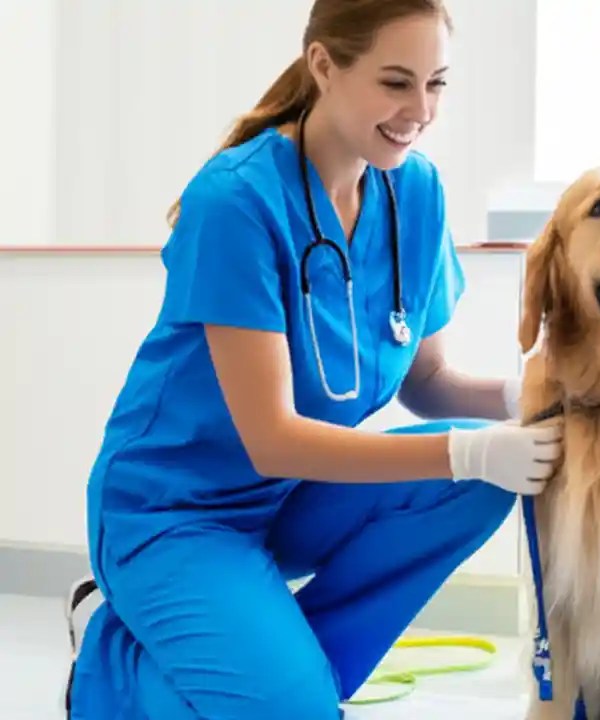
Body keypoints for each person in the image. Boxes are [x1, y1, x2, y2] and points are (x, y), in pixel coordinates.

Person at [62, 2, 562, 717]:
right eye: (396, 82)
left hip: (292, 498)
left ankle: (270, 666)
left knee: (476, 486)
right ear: (325, 65)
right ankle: (107, 660)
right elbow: (271, 439)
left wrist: (531, 396)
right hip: (174, 513)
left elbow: (426, 382)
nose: (420, 109)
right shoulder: (237, 200)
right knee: (287, 704)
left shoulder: (415, 191)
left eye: (438, 84)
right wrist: (471, 450)